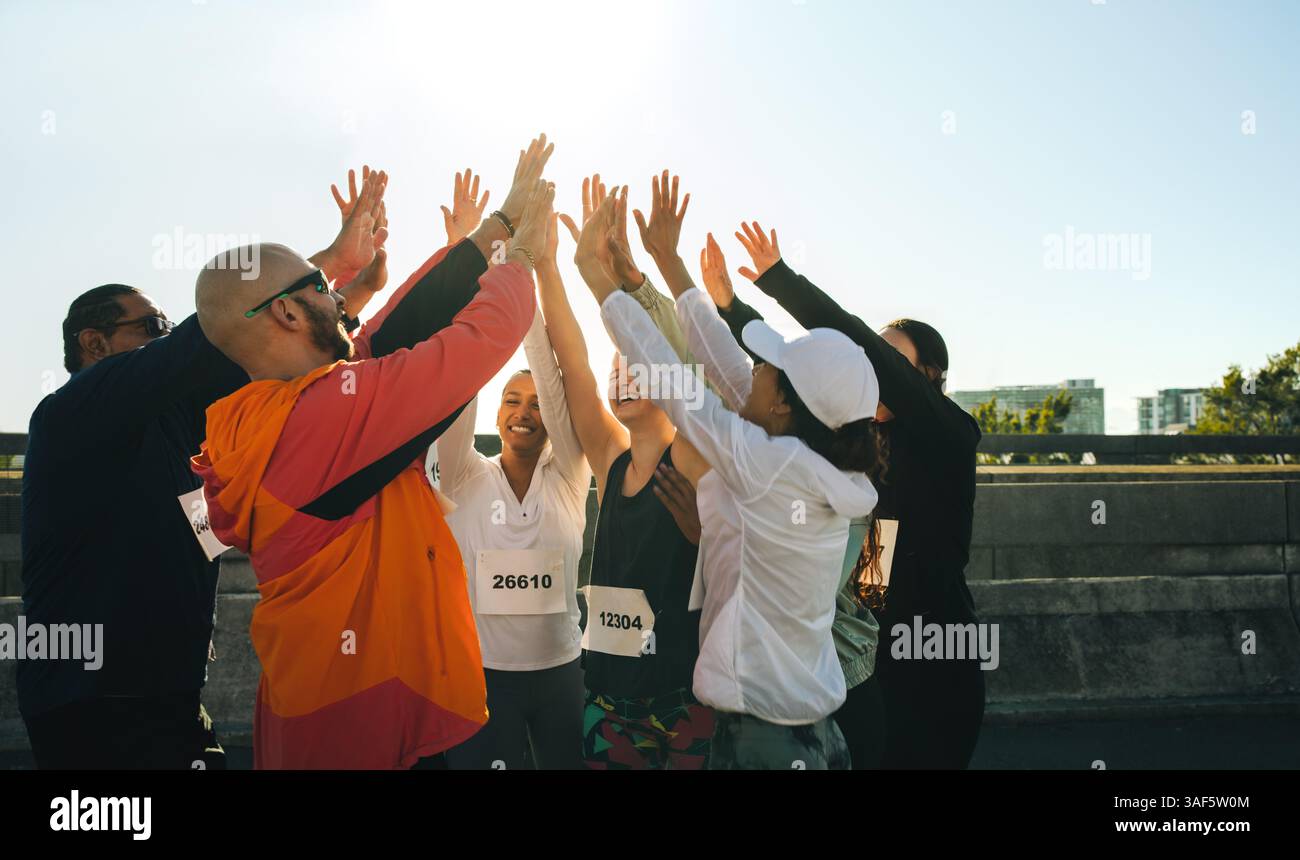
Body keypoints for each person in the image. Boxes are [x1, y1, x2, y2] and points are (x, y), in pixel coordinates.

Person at [191, 141, 553, 769]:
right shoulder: (317, 423)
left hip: (319, 713)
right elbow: (472, 345)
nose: (340, 298)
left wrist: (500, 223)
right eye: (320, 286)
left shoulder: (270, 415)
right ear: (285, 309)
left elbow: (393, 332)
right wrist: (522, 259)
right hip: (366, 724)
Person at [18, 176, 387, 769]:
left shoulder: (176, 420)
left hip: (172, 695)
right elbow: (220, 332)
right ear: (94, 342)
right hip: (91, 702)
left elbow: (263, 345)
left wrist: (338, 298)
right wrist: (326, 264)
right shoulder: (71, 412)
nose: (165, 337)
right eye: (150, 327)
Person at [581, 173, 884, 770]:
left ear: (783, 404)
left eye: (769, 368)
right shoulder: (808, 456)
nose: (755, 370)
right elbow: (722, 360)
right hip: (815, 727)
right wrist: (668, 263)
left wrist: (599, 282)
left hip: (761, 741)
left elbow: (671, 380)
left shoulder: (769, 464)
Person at [722, 220, 985, 769]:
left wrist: (780, 280)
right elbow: (796, 368)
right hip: (870, 659)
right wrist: (730, 309)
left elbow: (858, 343)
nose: (873, 371)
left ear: (928, 377)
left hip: (938, 660)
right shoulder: (864, 448)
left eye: (892, 363)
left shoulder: (948, 434)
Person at [700, 233, 886, 768]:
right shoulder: (837, 456)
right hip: (818, 676)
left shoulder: (842, 475)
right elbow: (782, 367)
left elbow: (874, 585)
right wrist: (731, 308)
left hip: (838, 667)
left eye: (892, 357)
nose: (876, 360)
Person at [549, 178, 714, 769]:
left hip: (686, 697)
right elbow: (572, 363)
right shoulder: (608, 462)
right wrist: (549, 265)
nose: (622, 378)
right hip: (612, 701)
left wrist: (629, 277)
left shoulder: (693, 453)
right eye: (615, 370)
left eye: (634, 366)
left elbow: (693, 371)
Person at [435, 175, 591, 772]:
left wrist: (524, 273)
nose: (524, 412)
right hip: (481, 679)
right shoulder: (464, 475)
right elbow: (461, 381)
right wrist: (479, 273)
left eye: (532, 405)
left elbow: (553, 383)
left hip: (561, 676)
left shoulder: (570, 473)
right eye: (509, 401)